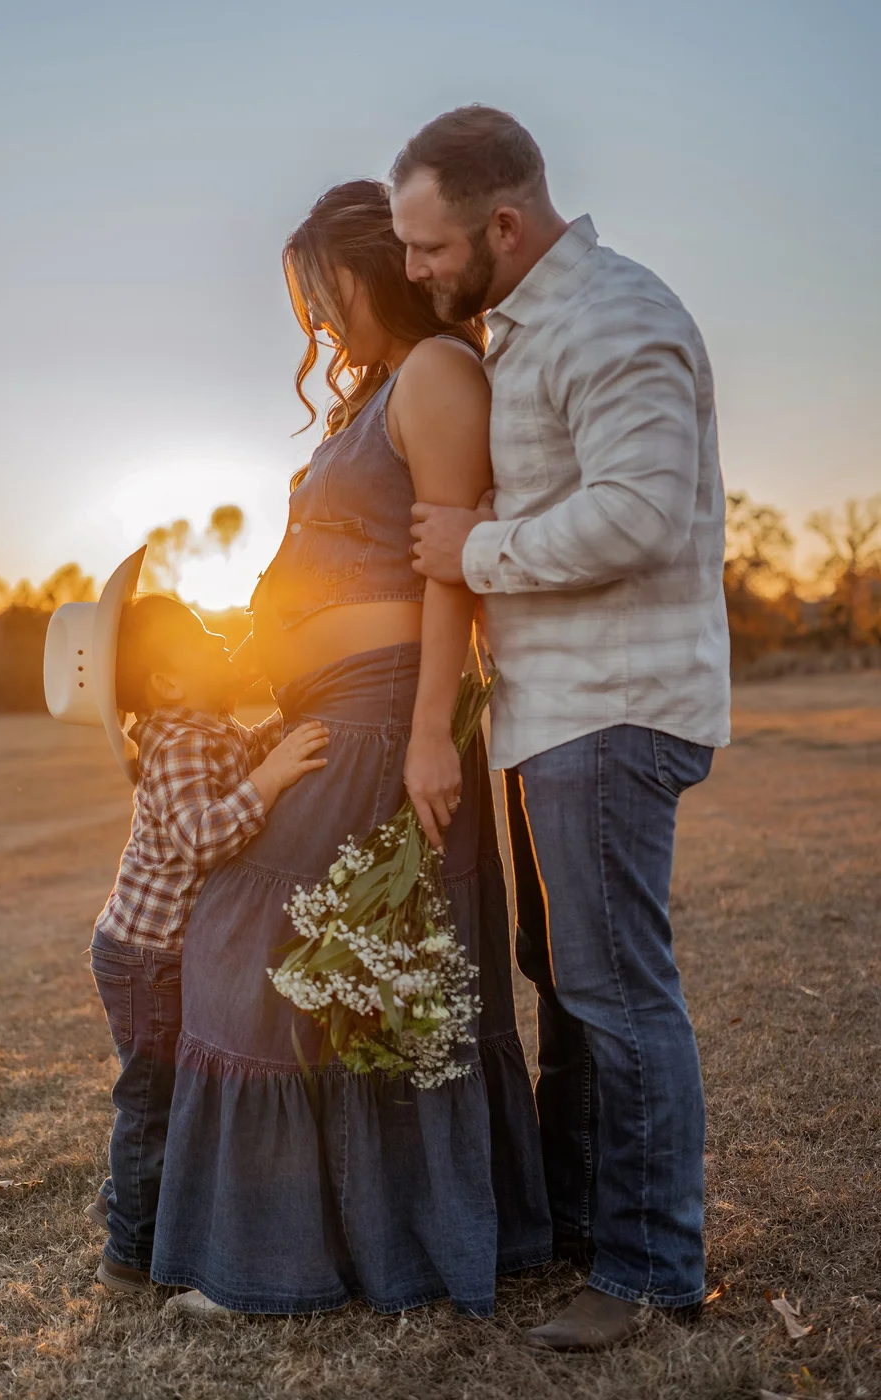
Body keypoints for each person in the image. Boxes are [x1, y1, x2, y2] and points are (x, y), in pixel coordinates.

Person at [150, 179, 552, 1318]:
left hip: (389, 717)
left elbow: (449, 565)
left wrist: (430, 732)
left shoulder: (435, 371)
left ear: (374, 269)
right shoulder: (368, 393)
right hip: (332, 706)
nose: (317, 326)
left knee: (257, 939)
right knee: (310, 961)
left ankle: (282, 1253)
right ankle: (310, 1241)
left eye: (323, 296)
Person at [394, 106, 731, 1350]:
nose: (415, 270)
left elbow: (641, 514)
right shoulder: (526, 327)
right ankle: (593, 1225)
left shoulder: (614, 316)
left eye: (428, 246)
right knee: (570, 984)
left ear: (502, 222)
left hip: (615, 706)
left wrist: (476, 548)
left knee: (616, 991)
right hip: (557, 715)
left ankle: (649, 1273)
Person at [88, 593, 329, 1293]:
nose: (219, 640)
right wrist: (274, 775)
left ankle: (140, 1215)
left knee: (161, 1093)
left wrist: (283, 731)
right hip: (148, 961)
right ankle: (128, 1255)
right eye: (198, 636)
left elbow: (239, 750)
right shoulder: (181, 742)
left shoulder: (204, 728)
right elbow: (202, 838)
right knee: (152, 1100)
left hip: (151, 955)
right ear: (165, 682)